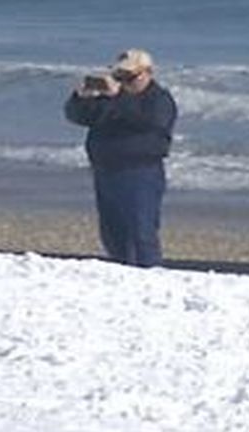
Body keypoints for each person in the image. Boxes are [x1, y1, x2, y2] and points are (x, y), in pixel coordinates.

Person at [63, 49, 178, 268]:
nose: (125, 83)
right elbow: (79, 116)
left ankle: (148, 272)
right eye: (120, 77)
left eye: (130, 78)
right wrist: (81, 98)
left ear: (147, 73)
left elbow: (148, 122)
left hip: (139, 171)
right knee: (113, 232)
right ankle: (121, 270)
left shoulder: (158, 99)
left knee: (141, 231)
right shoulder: (111, 99)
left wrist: (119, 97)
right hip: (106, 169)